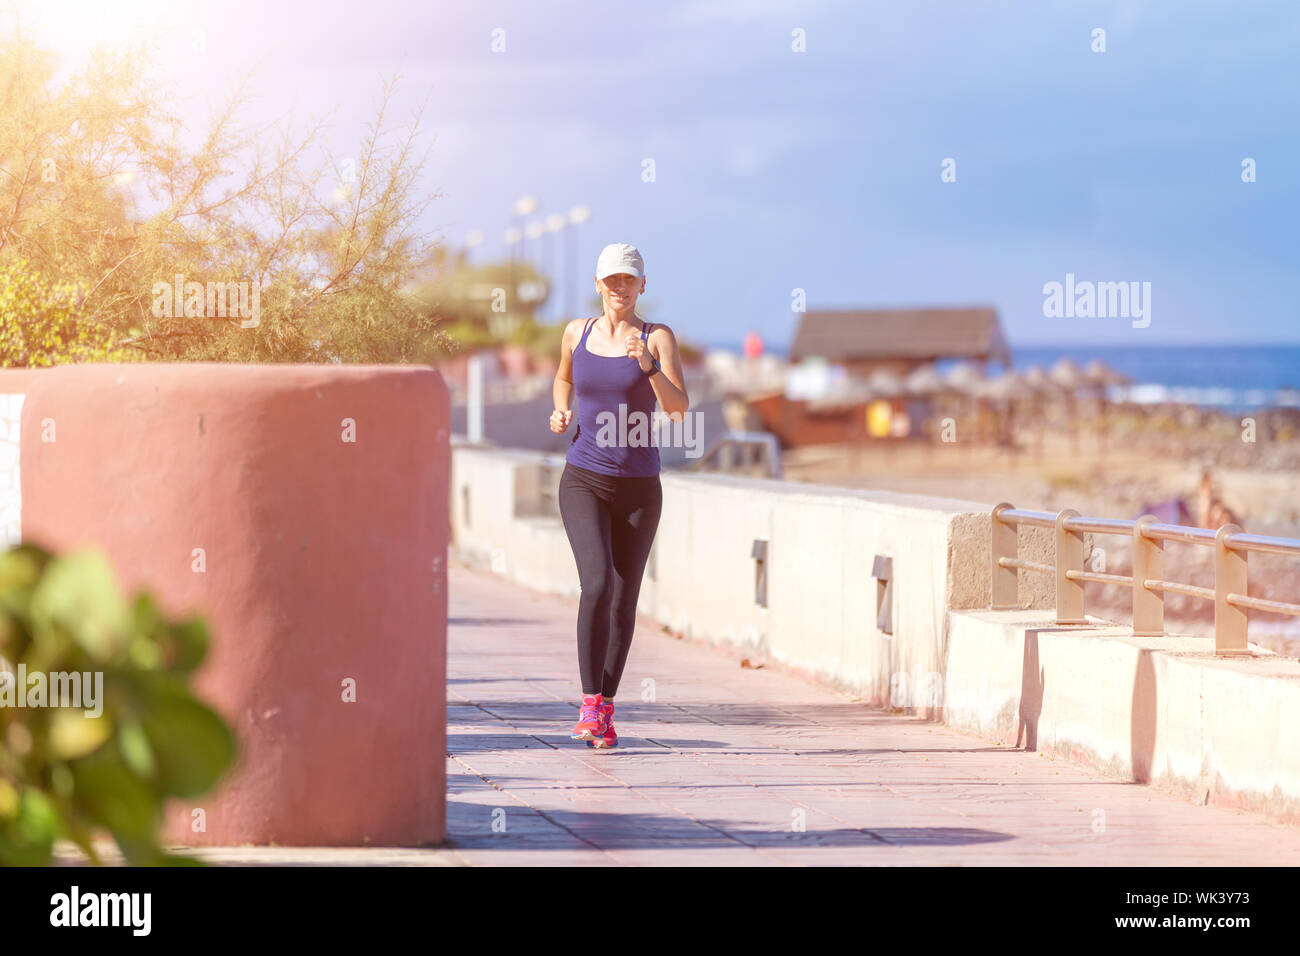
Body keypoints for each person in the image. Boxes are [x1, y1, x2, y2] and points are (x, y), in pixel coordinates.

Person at [548, 242, 690, 749]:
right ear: (598, 285)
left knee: (624, 598)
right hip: (583, 477)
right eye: (611, 281)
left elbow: (677, 411)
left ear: (642, 285)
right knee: (597, 583)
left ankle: (606, 709)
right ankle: (589, 704)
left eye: (628, 280)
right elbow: (563, 378)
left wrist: (649, 367)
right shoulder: (577, 332)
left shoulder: (658, 337)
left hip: (638, 487)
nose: (620, 289)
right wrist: (560, 409)